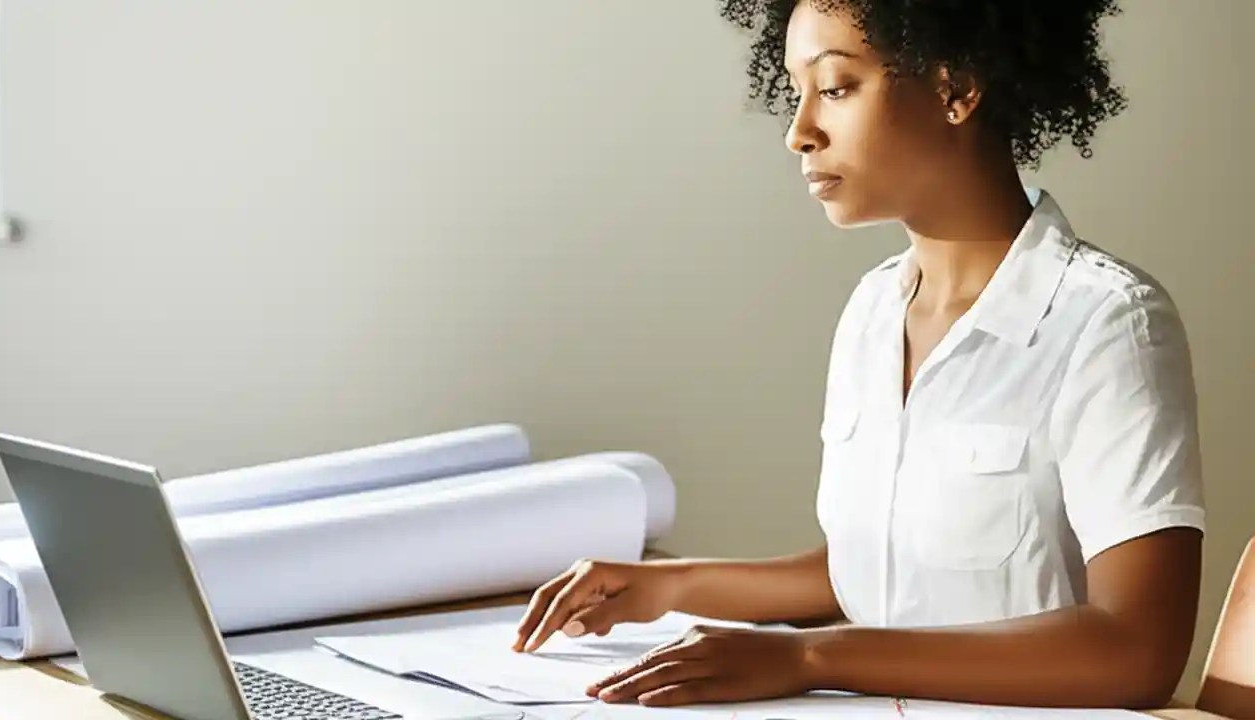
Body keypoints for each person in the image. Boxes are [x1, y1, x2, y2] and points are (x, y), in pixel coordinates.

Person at [512, 0, 1205, 710]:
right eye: (796, 92)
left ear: (956, 88)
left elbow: (1137, 651)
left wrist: (811, 655)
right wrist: (670, 584)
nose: (798, 132)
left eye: (836, 88)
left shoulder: (1107, 323)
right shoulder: (874, 312)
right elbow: (879, 567)